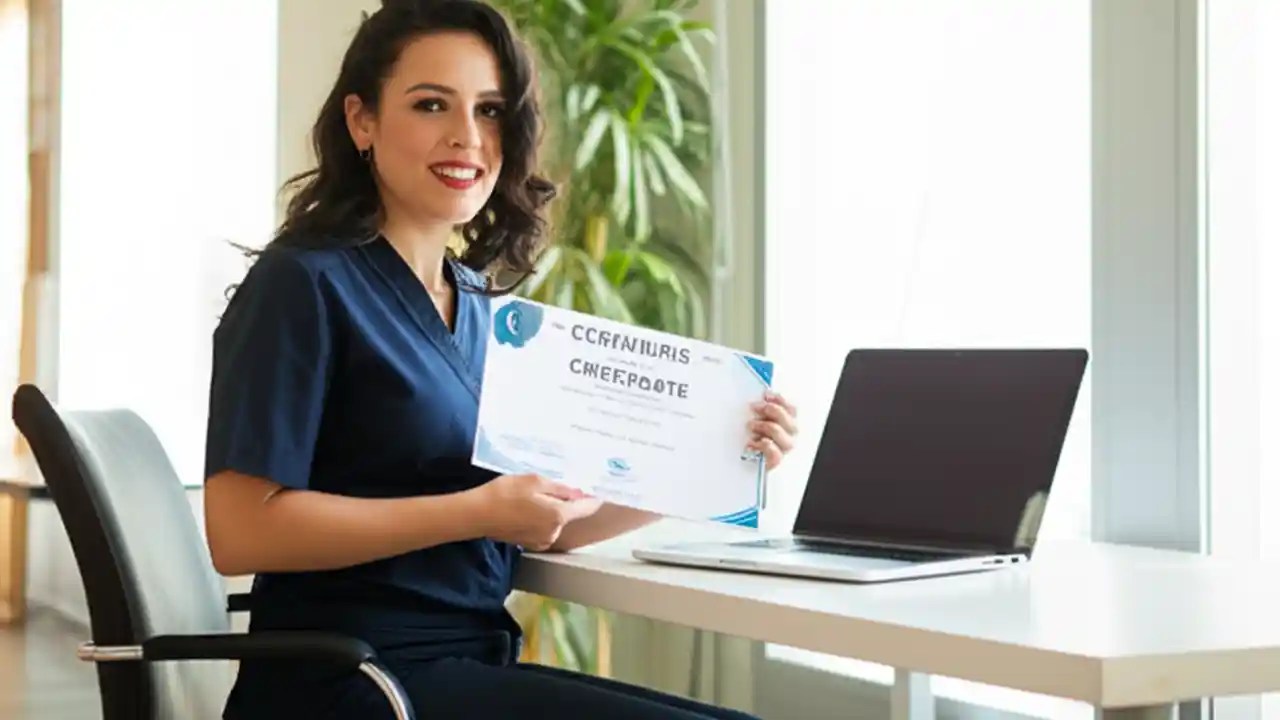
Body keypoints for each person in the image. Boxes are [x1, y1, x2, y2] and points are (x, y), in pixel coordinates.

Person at [202, 1, 799, 718]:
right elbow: (240, 532)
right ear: (362, 121)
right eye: (431, 105)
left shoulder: (480, 305)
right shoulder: (304, 282)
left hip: (464, 664)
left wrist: (716, 462)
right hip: (354, 681)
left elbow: (542, 525)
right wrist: (473, 511)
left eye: (490, 111)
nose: (467, 137)